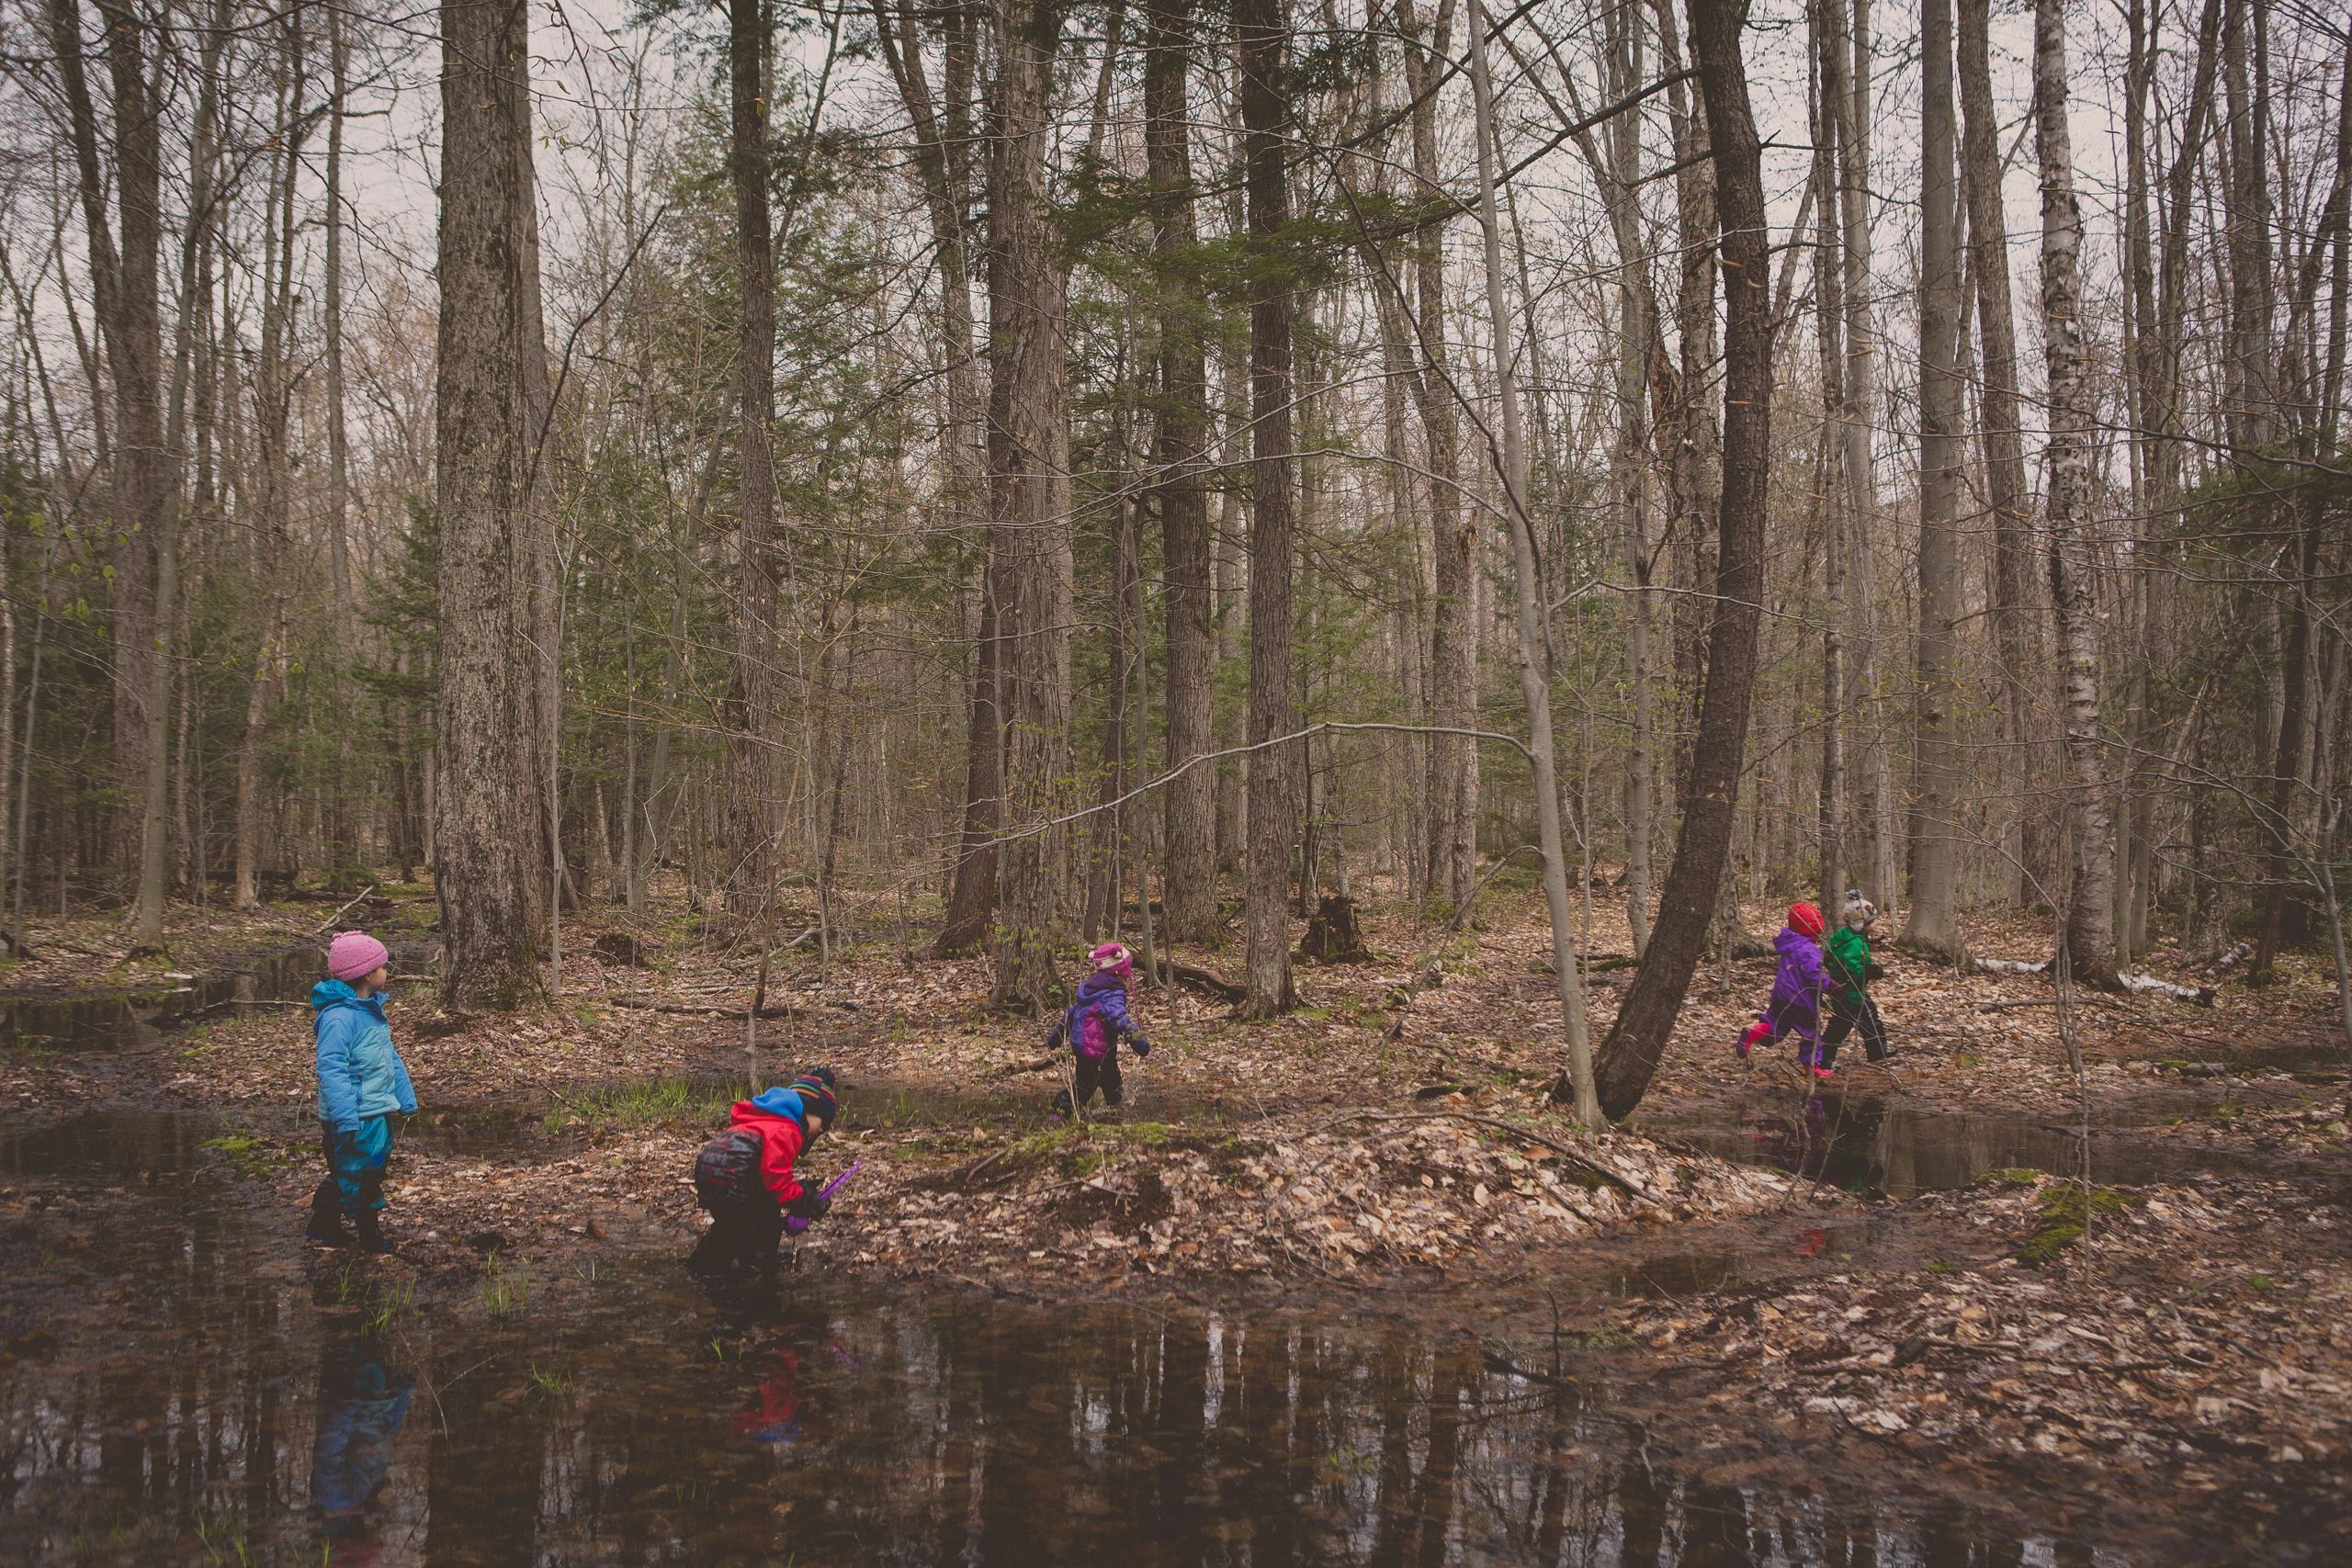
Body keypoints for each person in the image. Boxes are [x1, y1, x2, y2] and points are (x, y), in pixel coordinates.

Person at [306, 931, 416, 1252]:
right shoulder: (339, 1018)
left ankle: (330, 1224)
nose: (387, 971)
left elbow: (389, 1057)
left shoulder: (371, 1010)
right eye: (382, 966)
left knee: (371, 1169)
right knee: (356, 1173)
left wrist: (404, 1097)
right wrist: (345, 1116)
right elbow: (332, 1068)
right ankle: (364, 1232)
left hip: (377, 1109)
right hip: (354, 1115)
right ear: (367, 974)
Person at [690, 1068, 840, 1277]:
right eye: (823, 1122)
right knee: (765, 1222)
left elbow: (767, 1170)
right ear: (808, 1112)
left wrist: (794, 1193)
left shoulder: (759, 1121)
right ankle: (757, 1273)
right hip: (737, 1174)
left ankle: (703, 1267)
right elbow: (776, 1177)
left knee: (729, 1224)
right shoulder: (788, 1129)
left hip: (708, 1168)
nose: (822, 1130)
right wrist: (802, 1198)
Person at [1049, 942, 1154, 1119]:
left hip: (1095, 1047)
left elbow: (1071, 1014)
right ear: (1119, 970)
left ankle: (1115, 1110)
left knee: (1112, 1081)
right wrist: (1139, 1042)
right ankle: (1060, 1110)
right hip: (1093, 1050)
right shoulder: (1111, 994)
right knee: (1085, 1087)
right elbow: (1120, 1020)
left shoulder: (1093, 988)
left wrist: (1055, 1039)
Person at [1737, 902, 1832, 1078]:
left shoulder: (1791, 945)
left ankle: (1753, 1033)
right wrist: (1829, 985)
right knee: (1812, 1032)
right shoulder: (1809, 950)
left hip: (1781, 994)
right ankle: (1812, 1067)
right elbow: (1815, 975)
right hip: (1800, 999)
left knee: (1776, 1024)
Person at [1820, 891, 1895, 1069]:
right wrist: (1867, 972)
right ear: (1860, 924)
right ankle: (1824, 1057)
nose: (1875, 924)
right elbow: (1850, 966)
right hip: (1850, 991)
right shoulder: (1855, 943)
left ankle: (1876, 1049)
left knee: (1862, 1018)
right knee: (1847, 1023)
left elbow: (1831, 958)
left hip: (1848, 989)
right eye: (1872, 921)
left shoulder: (1846, 937)